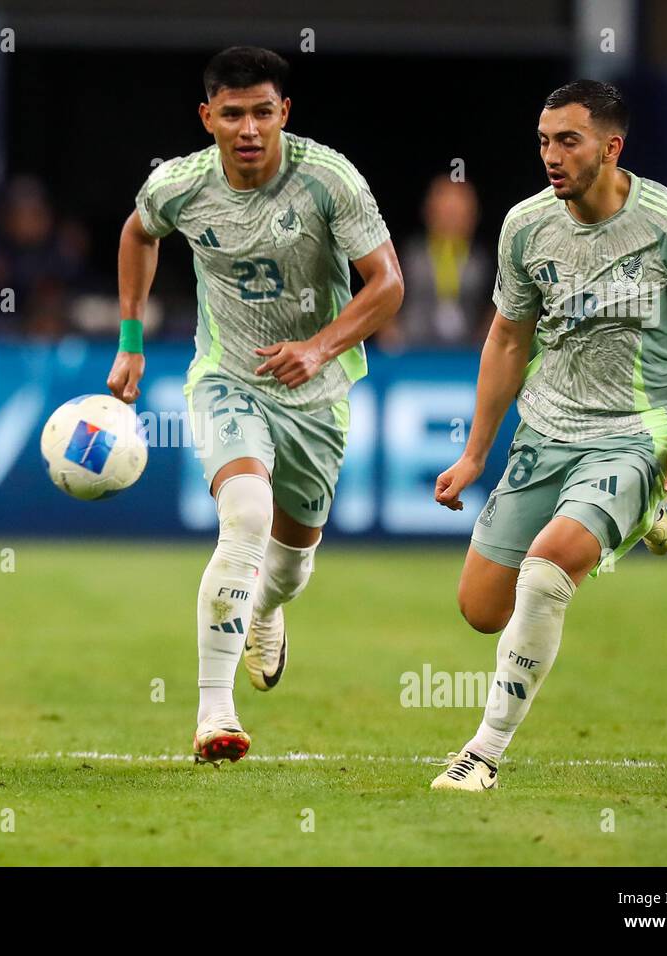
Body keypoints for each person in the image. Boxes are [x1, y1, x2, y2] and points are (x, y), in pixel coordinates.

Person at [431, 81, 667, 791]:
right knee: (482, 610)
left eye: (567, 140)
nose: (550, 154)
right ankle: (646, 518)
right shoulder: (524, 226)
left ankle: (481, 755)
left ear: (612, 147)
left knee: (546, 572)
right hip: (545, 433)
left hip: (634, 437)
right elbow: (508, 339)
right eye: (544, 140)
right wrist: (475, 452)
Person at [106, 47, 404, 764]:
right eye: (232, 113)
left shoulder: (330, 180)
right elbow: (138, 233)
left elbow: (388, 284)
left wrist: (320, 348)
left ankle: (265, 610)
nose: (248, 128)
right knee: (244, 518)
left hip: (316, 394)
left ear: (284, 114)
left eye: (262, 112)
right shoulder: (180, 184)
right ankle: (215, 714)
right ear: (208, 117)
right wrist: (131, 337)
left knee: (293, 564)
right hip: (226, 379)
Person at [380, 175, 492, 348]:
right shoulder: (408, 255)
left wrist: (488, 345)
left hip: (466, 357)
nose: (452, 219)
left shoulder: (483, 260)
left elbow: (500, 308)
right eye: (447, 212)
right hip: (411, 353)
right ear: (429, 211)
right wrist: (391, 340)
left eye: (459, 212)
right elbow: (381, 298)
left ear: (473, 215)